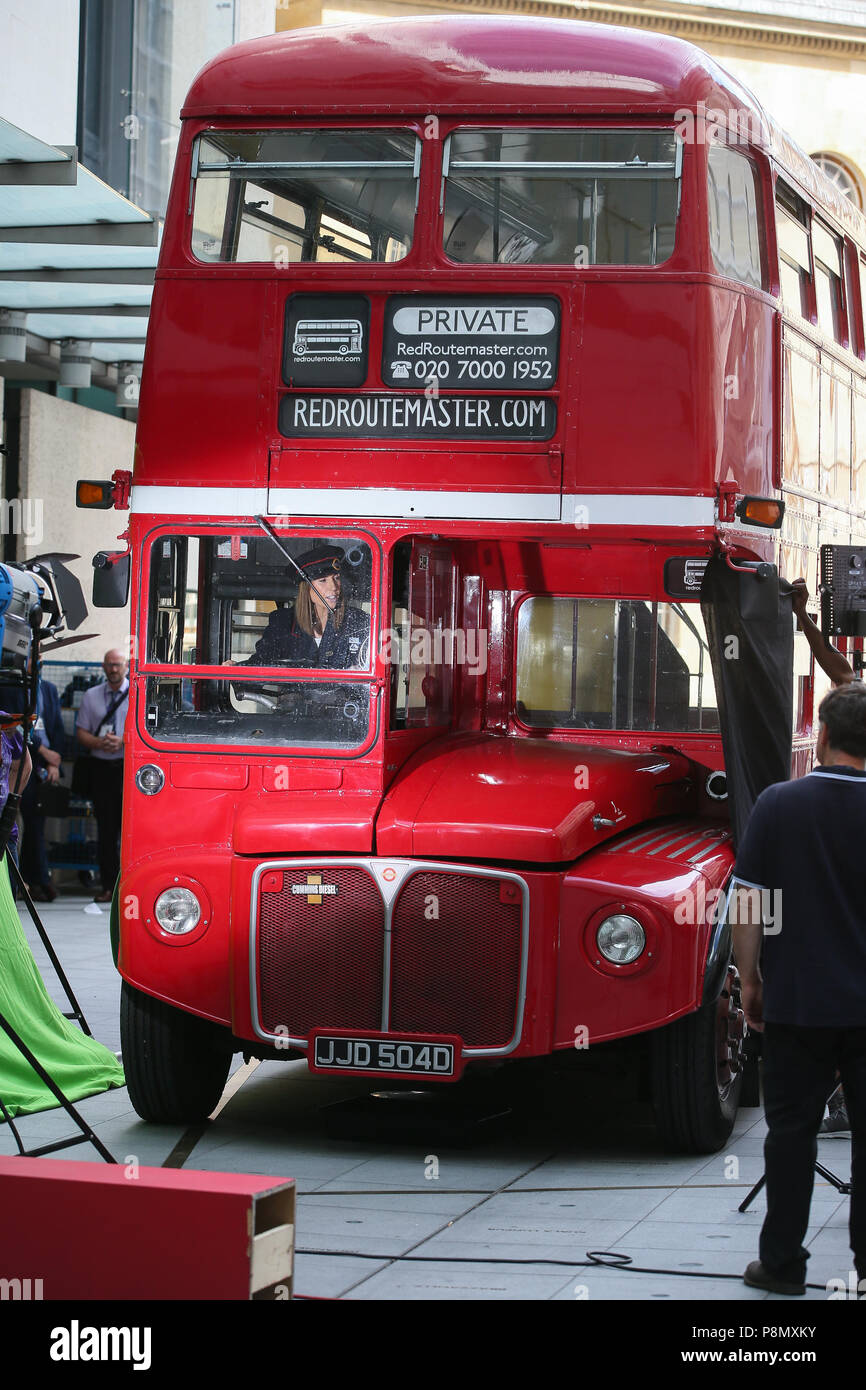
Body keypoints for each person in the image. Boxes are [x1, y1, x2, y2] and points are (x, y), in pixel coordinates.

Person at [731, 681, 866, 1296]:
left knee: (790, 1136)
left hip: (799, 1001)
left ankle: (782, 1265)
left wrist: (751, 982)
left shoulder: (779, 805)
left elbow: (751, 905)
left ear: (826, 737)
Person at [245, 543, 369, 668]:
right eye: (323, 581)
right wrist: (237, 667)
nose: (334, 587)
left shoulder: (358, 622)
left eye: (336, 578)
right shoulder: (283, 623)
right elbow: (260, 663)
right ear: (306, 588)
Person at [75, 650, 129, 903]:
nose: (113, 669)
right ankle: (108, 887)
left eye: (117, 664)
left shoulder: (138, 695)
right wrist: (99, 742)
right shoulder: (91, 696)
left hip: (128, 772)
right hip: (101, 771)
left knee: (129, 833)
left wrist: (123, 742)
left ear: (126, 666)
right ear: (103, 666)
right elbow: (81, 733)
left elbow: (145, 731)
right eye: (109, 665)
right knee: (106, 833)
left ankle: (127, 888)